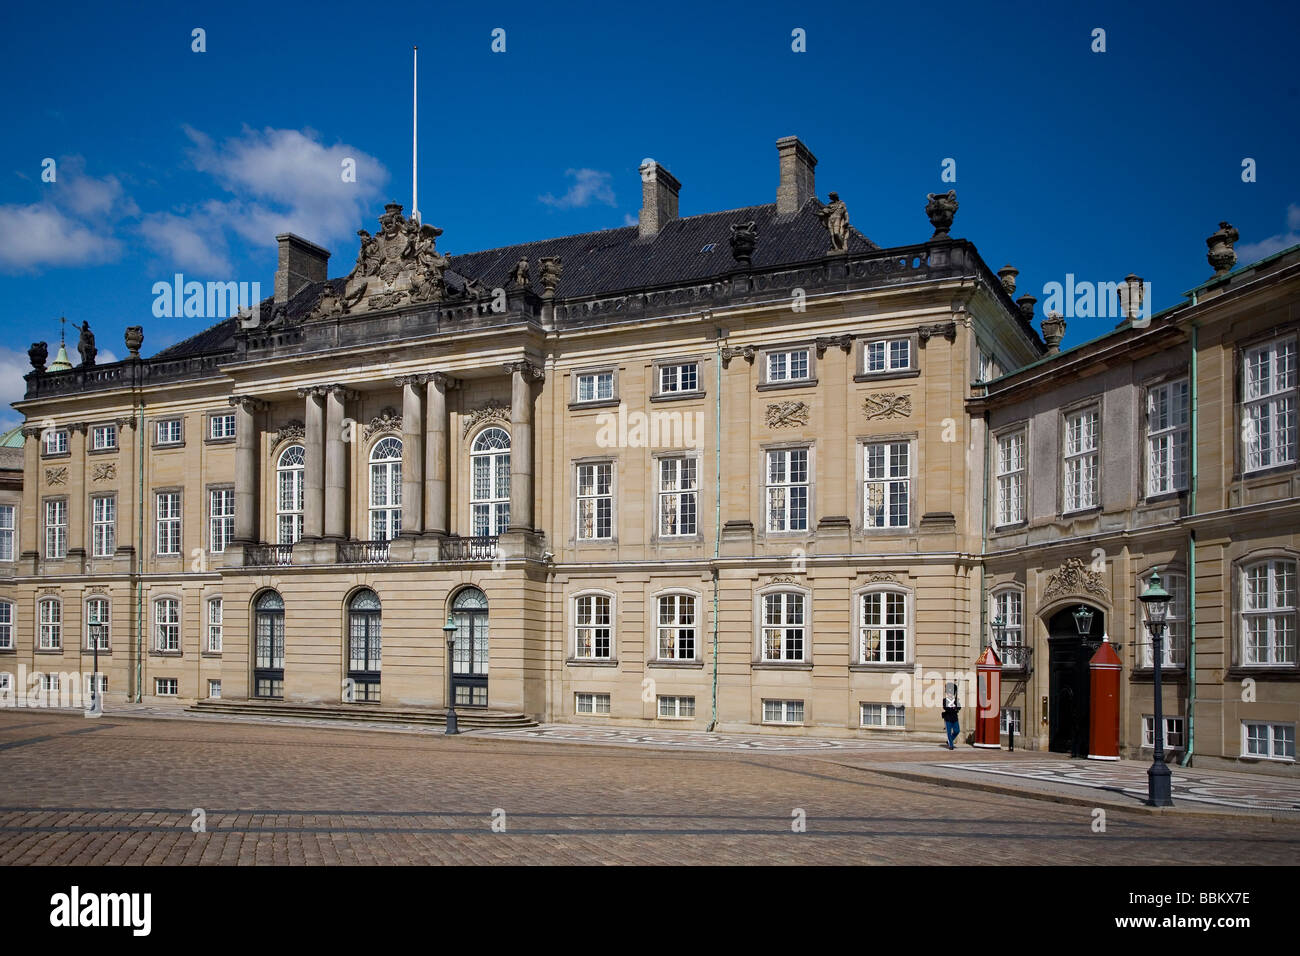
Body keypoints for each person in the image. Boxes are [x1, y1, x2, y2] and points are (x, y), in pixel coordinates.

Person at [941, 684, 961, 750]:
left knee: (957, 731)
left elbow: (959, 707)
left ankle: (950, 740)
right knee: (949, 732)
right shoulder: (945, 700)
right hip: (948, 718)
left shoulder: (956, 700)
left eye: (951, 693)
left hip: (955, 718)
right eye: (949, 692)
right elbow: (945, 707)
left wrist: (956, 705)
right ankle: (951, 745)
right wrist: (953, 708)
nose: (950, 694)